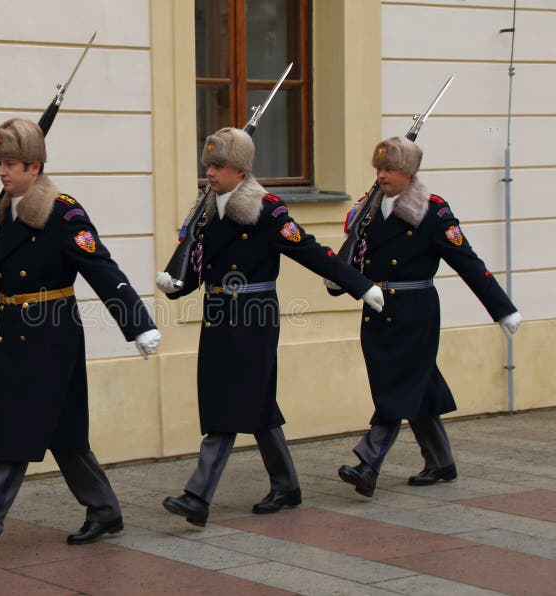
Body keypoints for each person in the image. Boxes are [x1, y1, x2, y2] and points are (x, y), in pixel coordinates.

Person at [0, 118, 161, 565]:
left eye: (10, 164)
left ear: (34, 165)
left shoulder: (62, 211)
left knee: (15, 432)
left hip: (51, 334)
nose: (1, 172)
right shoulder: (0, 209)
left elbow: (101, 267)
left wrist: (137, 323)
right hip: (13, 332)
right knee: (63, 434)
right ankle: (104, 510)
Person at [155, 127, 384, 526]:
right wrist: (176, 286)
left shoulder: (266, 209)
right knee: (254, 403)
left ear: (240, 171)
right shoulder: (207, 209)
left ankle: (198, 495)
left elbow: (310, 251)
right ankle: (287, 485)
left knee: (228, 406)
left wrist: (360, 285)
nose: (209, 172)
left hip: (254, 316)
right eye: (208, 164)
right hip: (217, 314)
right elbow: (197, 265)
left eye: (219, 165)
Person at [328, 136, 522, 498]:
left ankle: (368, 463)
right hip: (376, 309)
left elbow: (468, 262)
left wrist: (502, 308)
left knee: (398, 386)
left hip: (415, 312)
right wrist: (338, 279)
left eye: (390, 169)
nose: (382, 175)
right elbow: (355, 255)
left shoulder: (432, 211)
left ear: (409, 172)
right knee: (415, 386)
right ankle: (441, 461)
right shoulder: (368, 209)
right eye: (379, 169)